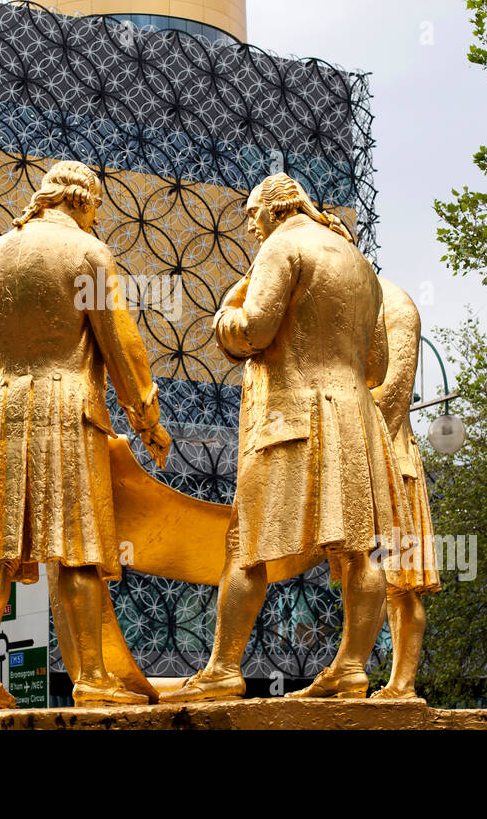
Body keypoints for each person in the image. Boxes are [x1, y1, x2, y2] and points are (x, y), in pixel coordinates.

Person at [159, 172, 397, 703]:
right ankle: (353, 666)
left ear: (273, 210)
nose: (249, 228)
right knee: (365, 549)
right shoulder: (362, 266)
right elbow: (378, 366)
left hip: (291, 417)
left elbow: (254, 331)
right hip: (355, 419)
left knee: (247, 546)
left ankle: (222, 668)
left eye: (250, 216)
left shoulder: (281, 246)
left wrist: (225, 313)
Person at [0, 160, 171, 709]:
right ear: (80, 200)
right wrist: (146, 420)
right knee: (78, 550)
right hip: (70, 409)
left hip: (7, 411)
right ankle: (93, 677)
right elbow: (121, 346)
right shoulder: (87, 254)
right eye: (96, 207)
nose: (96, 217)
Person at [370, 276, 441, 698]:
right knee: (373, 579)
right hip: (370, 457)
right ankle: (363, 673)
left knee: (402, 582)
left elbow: (394, 392)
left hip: (393, 461)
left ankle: (402, 683)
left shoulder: (392, 303)